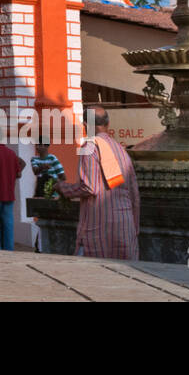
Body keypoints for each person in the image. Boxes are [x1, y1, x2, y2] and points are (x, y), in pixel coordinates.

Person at [55, 106, 140, 260]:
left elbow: (89, 187)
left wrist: (63, 188)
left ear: (86, 126)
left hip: (99, 227)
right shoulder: (121, 149)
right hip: (124, 225)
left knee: (90, 275)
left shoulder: (89, 147)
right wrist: (134, 225)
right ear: (108, 124)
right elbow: (134, 191)